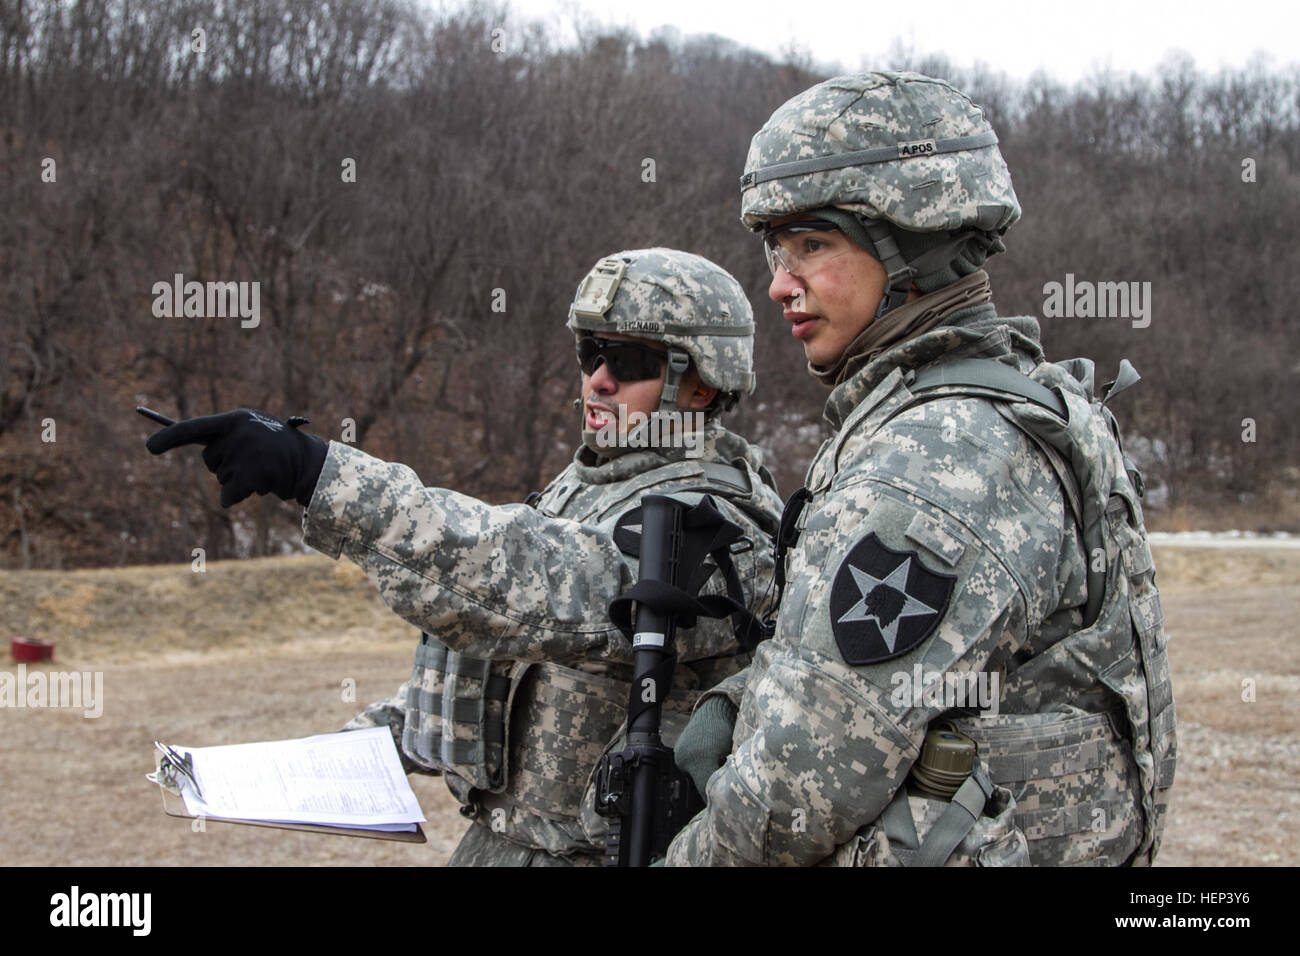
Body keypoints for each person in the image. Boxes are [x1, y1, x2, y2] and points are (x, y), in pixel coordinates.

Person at [664, 72, 1177, 867]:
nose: (777, 283)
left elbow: (801, 789)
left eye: (812, 245)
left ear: (914, 246)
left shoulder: (940, 454)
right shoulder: (1002, 400)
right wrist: (744, 699)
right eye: (774, 250)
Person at [145, 247, 783, 866]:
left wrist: (319, 474)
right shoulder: (591, 486)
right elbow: (500, 663)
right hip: (502, 846)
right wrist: (322, 759)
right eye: (590, 352)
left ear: (700, 387)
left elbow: (535, 585)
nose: (597, 379)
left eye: (630, 360)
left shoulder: (725, 526)